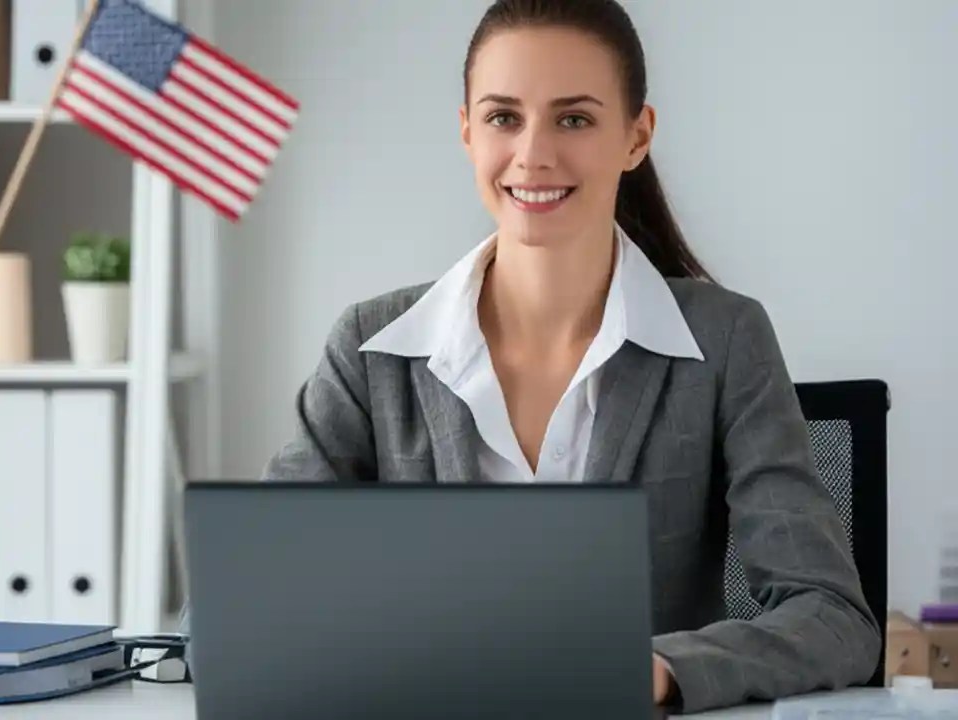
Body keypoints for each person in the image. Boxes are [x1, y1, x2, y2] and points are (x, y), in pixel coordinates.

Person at [180, 0, 880, 712]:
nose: (534, 153)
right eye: (503, 117)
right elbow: (230, 619)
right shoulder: (371, 352)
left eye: (573, 119)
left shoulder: (724, 340)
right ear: (466, 130)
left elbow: (832, 618)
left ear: (636, 136)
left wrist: (657, 669)